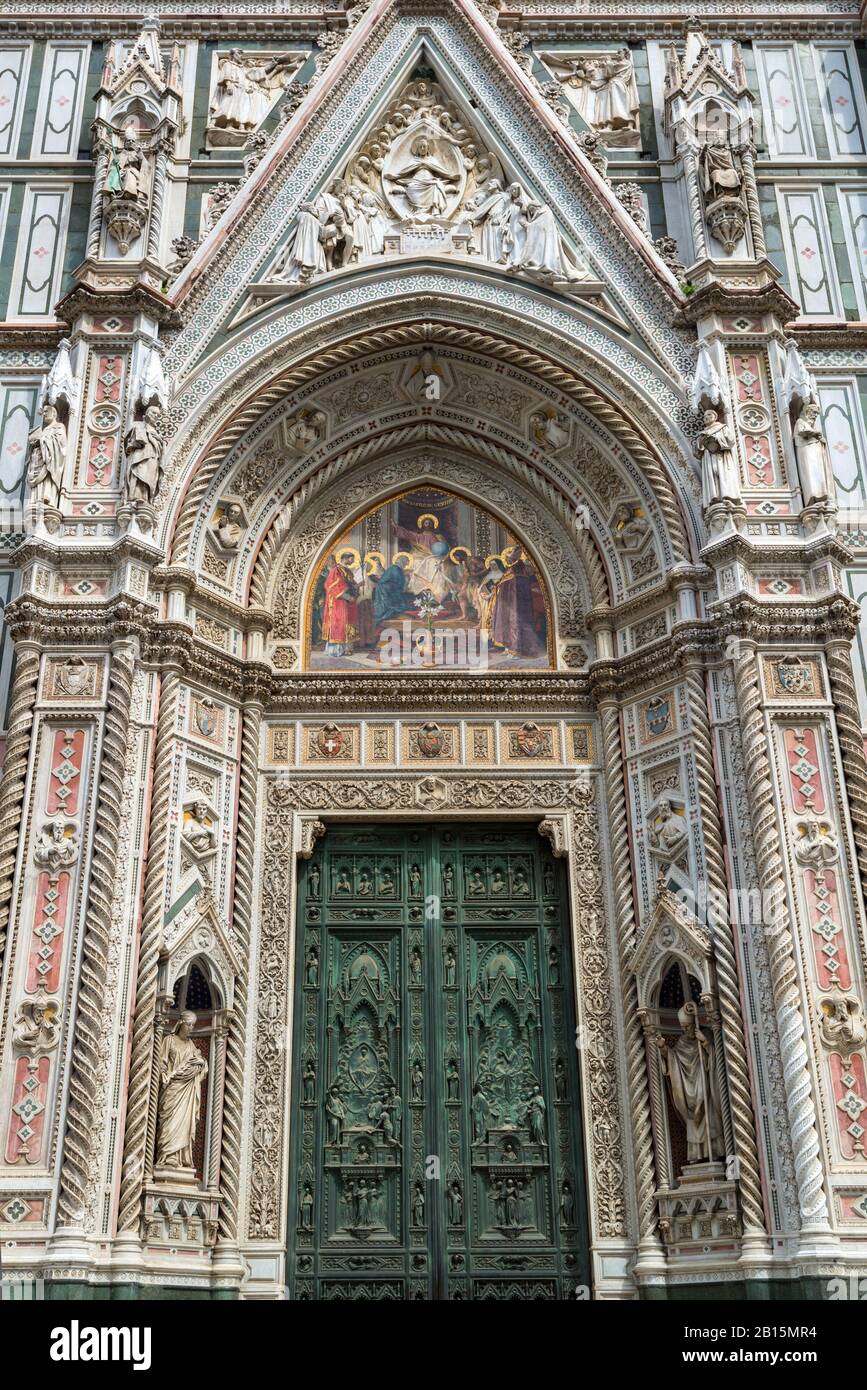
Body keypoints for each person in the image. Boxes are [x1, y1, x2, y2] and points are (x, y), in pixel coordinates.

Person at [155, 1011, 208, 1170]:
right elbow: (161, 1063)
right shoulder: (169, 1040)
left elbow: (201, 1067)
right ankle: (167, 1156)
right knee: (169, 1123)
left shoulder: (191, 1045)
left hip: (187, 1091)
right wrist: (164, 1074)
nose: (191, 1028)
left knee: (185, 1123)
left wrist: (201, 1063)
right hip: (172, 1089)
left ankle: (182, 1157)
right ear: (181, 1023)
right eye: (189, 1024)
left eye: (193, 1025)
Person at [489, 546, 545, 658]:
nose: (508, 560)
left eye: (510, 557)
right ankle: (509, 647)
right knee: (507, 622)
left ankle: (516, 649)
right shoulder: (510, 571)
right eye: (508, 558)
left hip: (517, 603)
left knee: (516, 623)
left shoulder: (519, 568)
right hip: (507, 603)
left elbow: (520, 585)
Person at [27, 402, 67, 510]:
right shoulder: (45, 429)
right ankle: (36, 500)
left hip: (49, 462)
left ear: (54, 413)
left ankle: (47, 499)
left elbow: (61, 445)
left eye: (46, 412)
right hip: (39, 461)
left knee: (48, 479)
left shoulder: (59, 426)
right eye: (43, 412)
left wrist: (42, 439)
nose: (44, 414)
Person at [320, 550, 359, 656]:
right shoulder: (336, 570)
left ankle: (346, 649)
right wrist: (346, 595)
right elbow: (331, 585)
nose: (353, 561)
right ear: (345, 558)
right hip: (339, 601)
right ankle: (336, 650)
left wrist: (356, 587)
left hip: (349, 602)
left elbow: (352, 583)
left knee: (348, 623)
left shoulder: (348, 571)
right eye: (352, 559)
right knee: (339, 623)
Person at [373, 553, 411, 625]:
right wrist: (406, 580)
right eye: (406, 562)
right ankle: (384, 619)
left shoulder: (395, 568)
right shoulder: (395, 569)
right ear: (402, 561)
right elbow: (398, 583)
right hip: (387, 591)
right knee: (398, 605)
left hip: (388, 590)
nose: (406, 565)